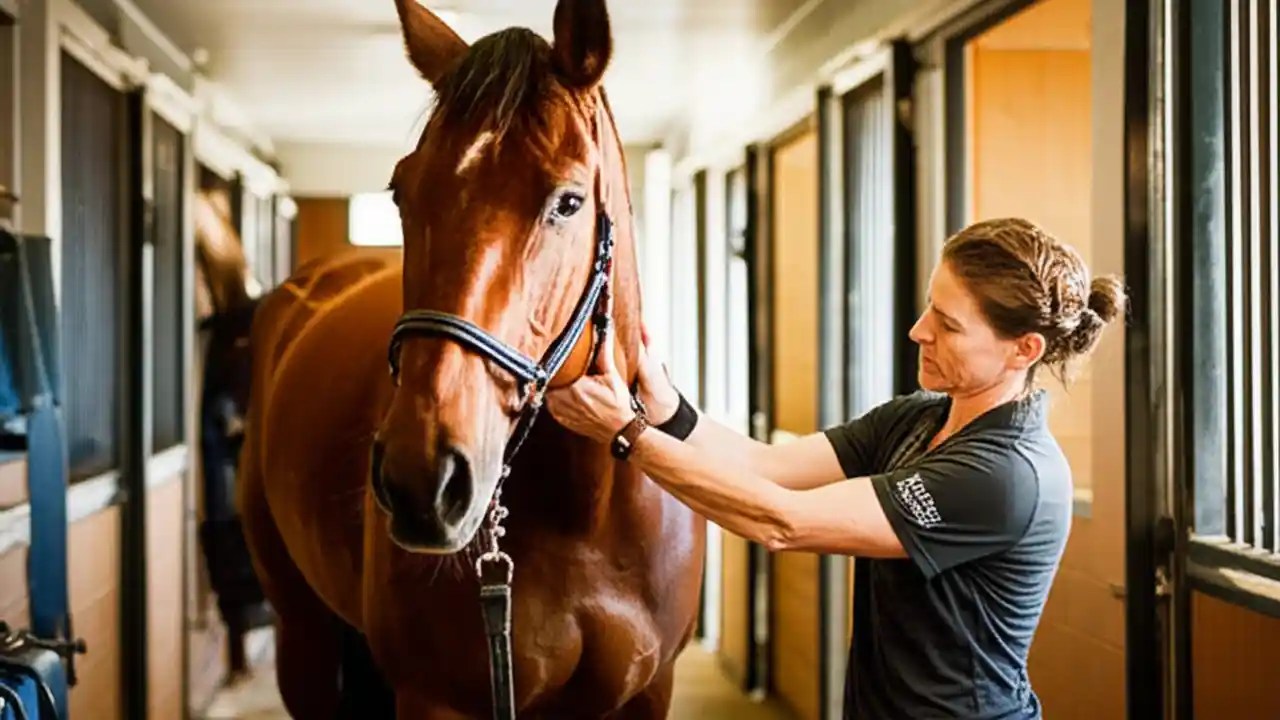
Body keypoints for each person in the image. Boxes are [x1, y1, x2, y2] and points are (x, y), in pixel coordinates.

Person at [545, 217, 1126, 720]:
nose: (919, 330)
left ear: (1022, 350)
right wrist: (665, 406)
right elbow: (765, 467)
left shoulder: (1006, 474)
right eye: (930, 306)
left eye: (948, 325)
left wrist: (626, 434)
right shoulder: (919, 418)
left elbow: (782, 521)